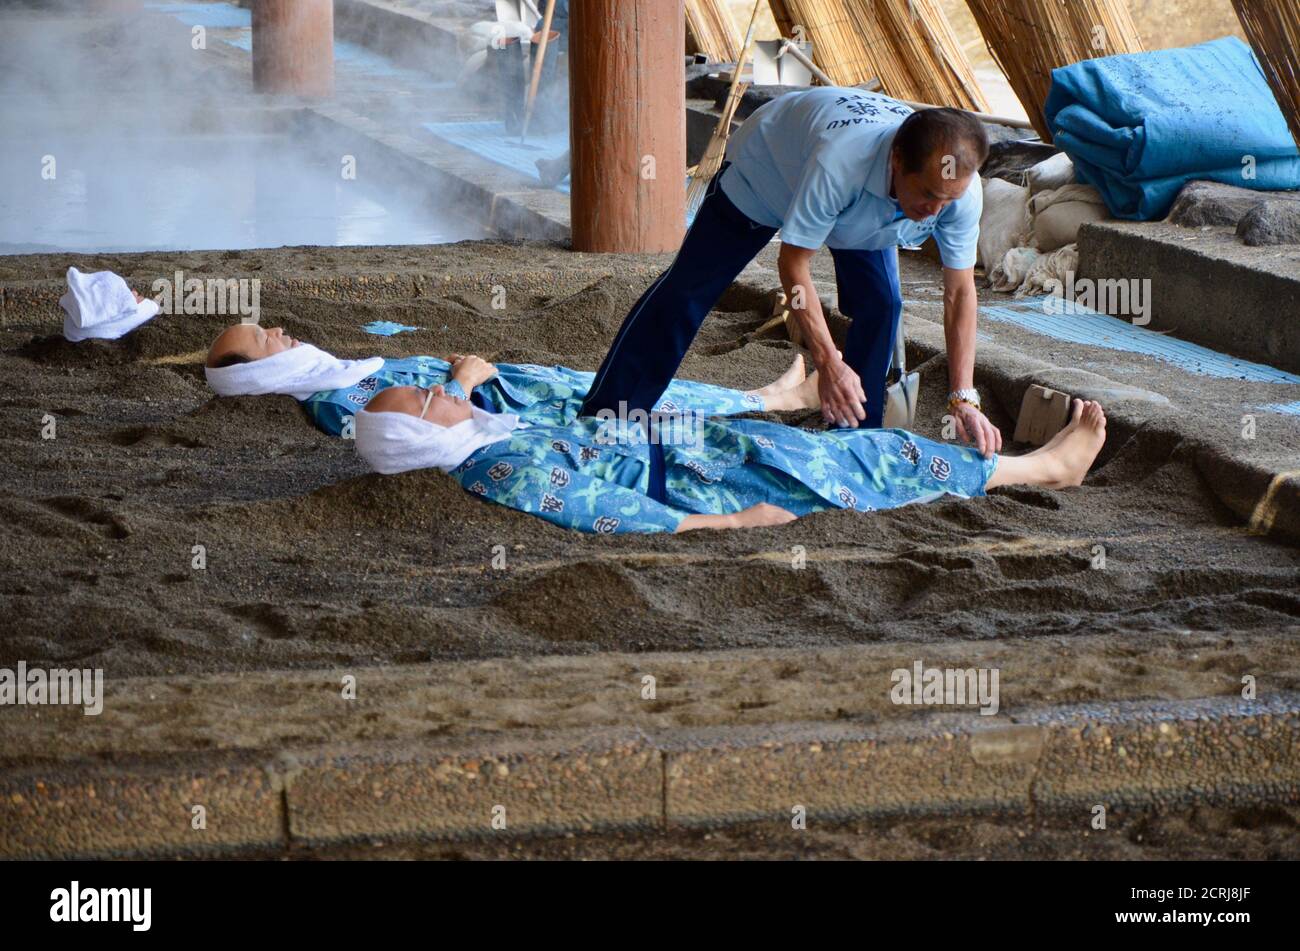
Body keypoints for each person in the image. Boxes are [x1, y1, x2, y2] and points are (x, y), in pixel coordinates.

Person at [579, 87, 1001, 457]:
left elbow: (960, 294)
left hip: (863, 210)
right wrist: (828, 360)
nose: (935, 211)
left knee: (883, 305)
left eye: (947, 200)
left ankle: (854, 435)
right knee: (688, 292)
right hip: (769, 174)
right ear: (896, 160)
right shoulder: (842, 162)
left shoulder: (957, 191)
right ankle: (610, 412)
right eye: (928, 195)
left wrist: (962, 396)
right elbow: (794, 265)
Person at [354, 382, 1108, 534]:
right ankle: (1044, 470)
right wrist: (722, 525)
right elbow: (598, 508)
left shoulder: (483, 437)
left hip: (695, 451)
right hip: (702, 484)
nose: (432, 390)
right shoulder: (496, 465)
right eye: (423, 399)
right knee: (878, 459)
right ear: (423, 434)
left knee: (855, 453)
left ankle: (1032, 467)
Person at [203, 322, 818, 437]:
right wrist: (465, 382)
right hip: (519, 413)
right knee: (631, 413)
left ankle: (765, 396)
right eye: (266, 341)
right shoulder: (335, 404)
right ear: (265, 372)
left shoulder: (334, 376)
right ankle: (771, 401)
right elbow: (417, 430)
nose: (281, 333)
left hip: (514, 385)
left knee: (629, 386)